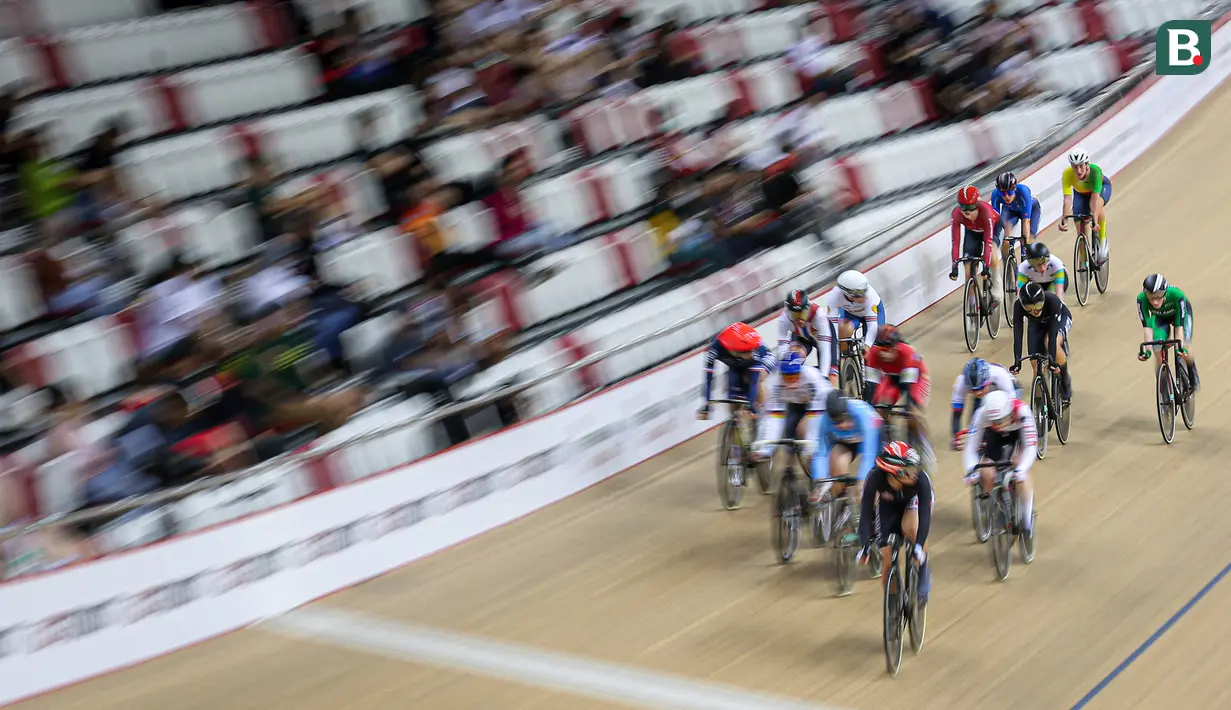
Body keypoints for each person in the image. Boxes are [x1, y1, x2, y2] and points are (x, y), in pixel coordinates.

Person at [857, 441, 933, 605]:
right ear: (893, 473)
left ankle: (923, 570)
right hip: (888, 506)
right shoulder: (875, 478)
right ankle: (892, 607)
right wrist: (864, 546)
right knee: (887, 559)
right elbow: (864, 514)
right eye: (909, 471)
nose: (915, 473)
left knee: (911, 529)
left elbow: (925, 515)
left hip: (913, 501)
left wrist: (918, 546)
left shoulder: (921, 480)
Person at [961, 389, 1037, 537]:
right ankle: (992, 504)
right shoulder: (982, 415)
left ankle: (1027, 521)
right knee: (986, 469)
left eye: (1002, 420)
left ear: (1010, 413)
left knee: (1019, 466)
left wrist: (1020, 470)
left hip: (1018, 436)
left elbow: (1031, 448)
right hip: (994, 437)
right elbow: (971, 448)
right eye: (995, 422)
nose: (1000, 424)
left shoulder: (1022, 411)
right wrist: (971, 471)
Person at [865, 325, 934, 467]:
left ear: (896, 346)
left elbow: (909, 389)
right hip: (892, 378)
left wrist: (908, 408)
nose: (883, 353)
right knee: (878, 410)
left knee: (912, 412)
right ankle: (886, 441)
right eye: (880, 349)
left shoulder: (907, 353)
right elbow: (871, 387)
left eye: (887, 349)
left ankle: (925, 447)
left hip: (916, 378)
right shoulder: (873, 354)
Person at [754, 348, 828, 462]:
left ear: (800, 371)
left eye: (794, 377)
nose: (790, 382)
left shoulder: (812, 377)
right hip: (795, 404)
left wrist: (811, 442)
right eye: (787, 377)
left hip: (818, 405)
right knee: (789, 437)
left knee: (808, 436)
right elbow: (774, 417)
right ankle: (790, 466)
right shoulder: (774, 381)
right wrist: (767, 448)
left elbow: (818, 414)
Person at [810, 389, 881, 508]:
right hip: (847, 442)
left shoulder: (862, 415)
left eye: (844, 419)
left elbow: (869, 455)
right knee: (837, 468)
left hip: (871, 438)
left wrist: (862, 481)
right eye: (836, 422)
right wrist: (819, 482)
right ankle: (841, 507)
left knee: (869, 491)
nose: (841, 425)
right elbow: (821, 454)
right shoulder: (824, 421)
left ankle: (874, 519)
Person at [698, 322, 775, 423]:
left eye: (751, 351)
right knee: (734, 405)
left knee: (751, 378)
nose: (751, 354)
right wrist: (707, 402)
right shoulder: (714, 349)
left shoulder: (754, 354)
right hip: (737, 364)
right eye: (747, 352)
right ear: (732, 350)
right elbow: (708, 378)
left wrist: (752, 404)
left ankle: (762, 414)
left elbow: (753, 381)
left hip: (764, 358)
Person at [1010, 282, 1072, 404]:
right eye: (1029, 308)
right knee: (1035, 364)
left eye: (1038, 305)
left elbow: (1053, 333)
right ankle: (1039, 406)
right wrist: (1017, 360)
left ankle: (1065, 378)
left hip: (1059, 320)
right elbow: (1018, 333)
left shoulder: (1052, 301)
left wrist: (1052, 359)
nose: (1035, 310)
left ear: (1043, 300)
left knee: (1049, 341)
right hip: (1037, 324)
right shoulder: (1018, 306)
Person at [1137, 274, 1199, 390]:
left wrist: (1180, 347)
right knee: (1157, 347)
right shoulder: (1141, 300)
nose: (1155, 302)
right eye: (1151, 297)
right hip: (1161, 318)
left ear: (1165, 292)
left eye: (1158, 296)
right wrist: (1148, 351)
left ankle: (1192, 372)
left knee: (1184, 344)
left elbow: (1179, 326)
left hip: (1180, 317)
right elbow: (1147, 327)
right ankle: (1164, 386)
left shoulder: (1177, 295)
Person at [949, 185, 1003, 305]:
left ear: (977, 205)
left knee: (992, 251)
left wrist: (986, 267)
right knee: (968, 268)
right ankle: (972, 304)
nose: (967, 212)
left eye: (971, 207)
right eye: (963, 207)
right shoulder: (956, 214)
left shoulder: (986, 212)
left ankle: (996, 280)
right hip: (973, 233)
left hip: (993, 228)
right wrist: (955, 267)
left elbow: (988, 241)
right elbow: (955, 243)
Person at [950, 357, 1019, 450]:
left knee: (1004, 418)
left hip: (1007, 387)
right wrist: (956, 436)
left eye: (980, 387)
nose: (978, 392)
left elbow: (1013, 406)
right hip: (988, 392)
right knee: (976, 419)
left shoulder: (999, 375)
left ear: (987, 381)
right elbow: (957, 413)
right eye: (974, 390)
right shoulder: (961, 383)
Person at [823, 270, 885, 371]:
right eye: (861, 293)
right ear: (848, 293)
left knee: (877, 344)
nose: (865, 295)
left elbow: (872, 326)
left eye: (865, 290)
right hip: (852, 314)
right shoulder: (834, 296)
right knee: (842, 328)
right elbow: (832, 325)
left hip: (873, 314)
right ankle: (847, 357)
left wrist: (867, 346)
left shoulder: (870, 295)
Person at [1059, 148, 1112, 265]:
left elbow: (1095, 197)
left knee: (1097, 206)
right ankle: (1085, 262)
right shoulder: (1067, 174)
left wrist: (1094, 219)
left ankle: (1102, 243)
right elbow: (1067, 199)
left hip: (1101, 189)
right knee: (1080, 227)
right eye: (1075, 167)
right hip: (1081, 194)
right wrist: (1065, 219)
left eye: (1081, 166)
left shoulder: (1095, 172)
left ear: (1087, 164)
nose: (1078, 170)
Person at [777, 288, 837, 381]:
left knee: (831, 375)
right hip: (803, 337)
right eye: (795, 315)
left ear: (808, 308)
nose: (800, 319)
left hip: (822, 338)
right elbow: (782, 349)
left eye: (803, 313)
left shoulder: (819, 315)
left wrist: (824, 376)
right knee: (793, 359)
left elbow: (825, 349)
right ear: (788, 312)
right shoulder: (784, 319)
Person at [990, 171, 1041, 260]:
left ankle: (1029, 263)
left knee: (1028, 240)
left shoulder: (1023, 191)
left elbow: (1026, 221)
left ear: (1014, 189)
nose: (1006, 197)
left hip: (1031, 211)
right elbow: (995, 219)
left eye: (1009, 193)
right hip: (1011, 211)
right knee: (1006, 238)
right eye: (1003, 193)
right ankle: (1009, 268)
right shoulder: (995, 195)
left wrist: (1025, 243)